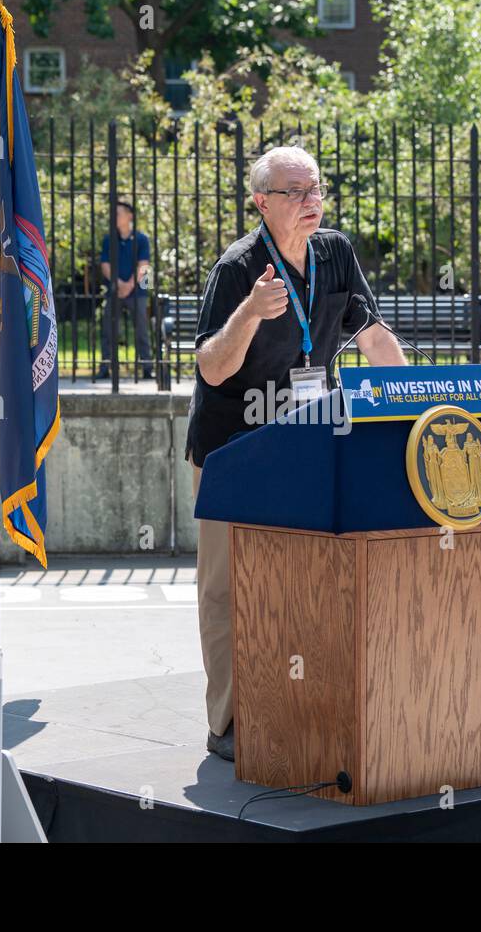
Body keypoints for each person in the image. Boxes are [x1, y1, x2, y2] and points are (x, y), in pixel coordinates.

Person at [187, 145, 408, 762]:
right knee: (228, 590)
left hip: (312, 442)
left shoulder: (335, 253)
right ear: (262, 202)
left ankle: (303, 701)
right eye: (295, 191)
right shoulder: (239, 267)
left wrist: (412, 403)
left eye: (316, 188)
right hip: (237, 448)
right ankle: (228, 722)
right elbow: (211, 367)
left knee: (309, 579)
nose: (312, 200)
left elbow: (373, 336)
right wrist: (252, 313)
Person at [98, 201, 153, 380]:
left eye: (119, 213)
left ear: (130, 215)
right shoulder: (109, 239)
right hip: (114, 290)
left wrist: (128, 285)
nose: (115, 217)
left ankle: (147, 367)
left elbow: (144, 267)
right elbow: (104, 265)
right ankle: (106, 366)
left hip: (139, 290)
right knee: (108, 328)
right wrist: (118, 283)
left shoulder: (142, 238)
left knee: (142, 329)